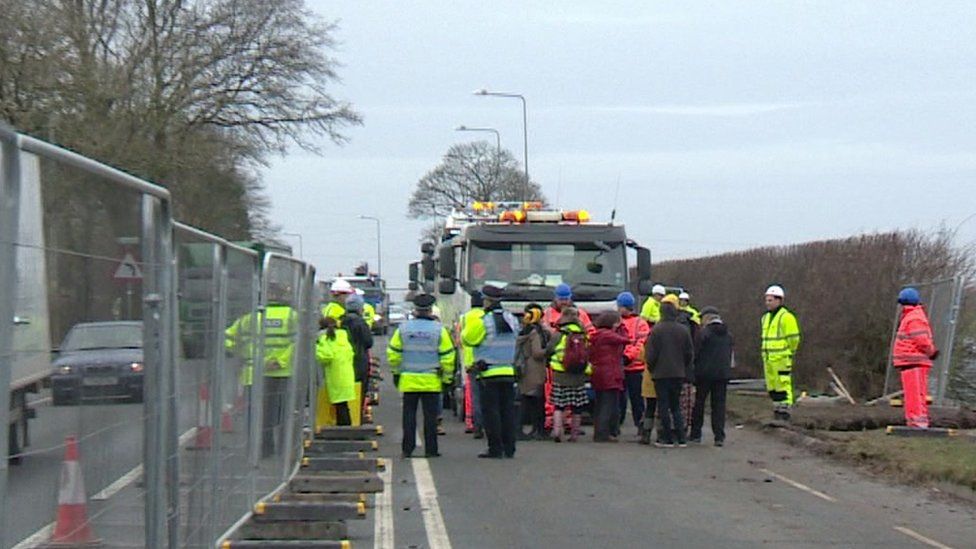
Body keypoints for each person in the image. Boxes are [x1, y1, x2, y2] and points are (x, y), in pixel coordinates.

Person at [225, 283, 297, 457]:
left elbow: (228, 339)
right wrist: (279, 361)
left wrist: (242, 354)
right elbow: (298, 342)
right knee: (280, 414)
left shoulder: (249, 318)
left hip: (253, 373)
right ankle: (281, 450)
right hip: (281, 373)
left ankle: (258, 450)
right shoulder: (291, 316)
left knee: (256, 414)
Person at [387, 294, 456, 458]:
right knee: (430, 418)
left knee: (409, 416)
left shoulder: (403, 329)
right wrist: (447, 379)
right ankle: (431, 449)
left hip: (409, 381)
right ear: (431, 310)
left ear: (415, 310)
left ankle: (407, 449)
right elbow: (447, 357)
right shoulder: (439, 330)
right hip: (431, 381)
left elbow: (394, 355)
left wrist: (396, 373)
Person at [461, 285, 519, 458]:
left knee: (491, 413)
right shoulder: (511, 319)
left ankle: (495, 448)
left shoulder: (483, 321)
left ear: (486, 301)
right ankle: (510, 448)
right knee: (508, 411)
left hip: (489, 373)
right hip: (508, 371)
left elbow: (467, 339)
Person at [645, 296, 694, 448]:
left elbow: (650, 354)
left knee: (663, 406)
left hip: (660, 373)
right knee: (675, 406)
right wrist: (683, 367)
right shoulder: (683, 330)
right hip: (678, 372)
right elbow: (689, 353)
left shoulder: (656, 330)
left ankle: (666, 438)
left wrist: (652, 368)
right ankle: (681, 438)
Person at [892, 287, 939, 429]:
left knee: (915, 393)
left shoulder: (913, 318)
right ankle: (915, 420)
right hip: (911, 361)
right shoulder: (913, 316)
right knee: (915, 393)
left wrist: (931, 351)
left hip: (913, 362)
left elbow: (921, 341)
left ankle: (918, 421)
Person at [545, 306, 591, 442]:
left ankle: (557, 431)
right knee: (577, 406)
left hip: (560, 374)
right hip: (578, 374)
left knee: (559, 405)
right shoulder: (582, 333)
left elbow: (549, 349)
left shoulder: (559, 333)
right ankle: (574, 434)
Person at [689, 306, 734, 446]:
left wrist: (693, 369)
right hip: (722, 374)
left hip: (704, 374)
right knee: (719, 406)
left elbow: (695, 353)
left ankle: (696, 434)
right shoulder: (728, 335)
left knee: (699, 404)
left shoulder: (703, 333)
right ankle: (719, 436)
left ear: (707, 317)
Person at [761, 285, 802, 421]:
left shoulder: (787, 317)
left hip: (781, 358)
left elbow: (794, 339)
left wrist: (789, 352)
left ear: (779, 300)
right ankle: (777, 410)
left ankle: (785, 412)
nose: (767, 303)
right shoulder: (765, 318)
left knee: (783, 385)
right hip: (768, 358)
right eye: (767, 300)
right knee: (772, 386)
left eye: (770, 300)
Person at [589, 311, 630, 442]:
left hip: (598, 372)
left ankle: (600, 432)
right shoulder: (608, 335)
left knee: (600, 404)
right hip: (610, 373)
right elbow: (626, 339)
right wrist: (622, 327)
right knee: (609, 404)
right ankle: (604, 433)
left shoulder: (597, 335)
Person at [616, 291, 650, 436]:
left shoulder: (640, 323)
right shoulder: (617, 321)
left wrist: (628, 356)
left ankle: (640, 425)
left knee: (637, 400)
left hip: (635, 368)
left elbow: (641, 343)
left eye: (620, 306)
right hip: (621, 366)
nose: (618, 309)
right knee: (619, 399)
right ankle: (617, 425)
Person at [515, 303, 549, 440]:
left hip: (524, 368)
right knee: (537, 402)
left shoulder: (523, 330)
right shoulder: (535, 332)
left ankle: (519, 429)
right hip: (534, 368)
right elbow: (537, 352)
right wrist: (549, 349)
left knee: (525, 400)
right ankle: (538, 430)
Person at [316, 317, 357, 426]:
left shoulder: (325, 338)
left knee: (340, 405)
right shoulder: (343, 337)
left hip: (335, 375)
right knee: (343, 405)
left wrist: (315, 348)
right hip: (346, 373)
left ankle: (343, 429)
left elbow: (326, 356)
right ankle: (346, 428)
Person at [342, 293, 374, 422]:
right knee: (359, 391)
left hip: (343, 361)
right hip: (359, 361)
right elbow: (368, 342)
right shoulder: (360, 323)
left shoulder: (341, 321)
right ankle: (357, 417)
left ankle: (347, 418)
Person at [460, 290, 486, 438]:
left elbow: (460, 339)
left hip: (470, 361)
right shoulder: (487, 316)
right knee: (488, 396)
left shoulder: (465, 317)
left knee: (474, 396)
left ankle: (476, 425)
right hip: (486, 361)